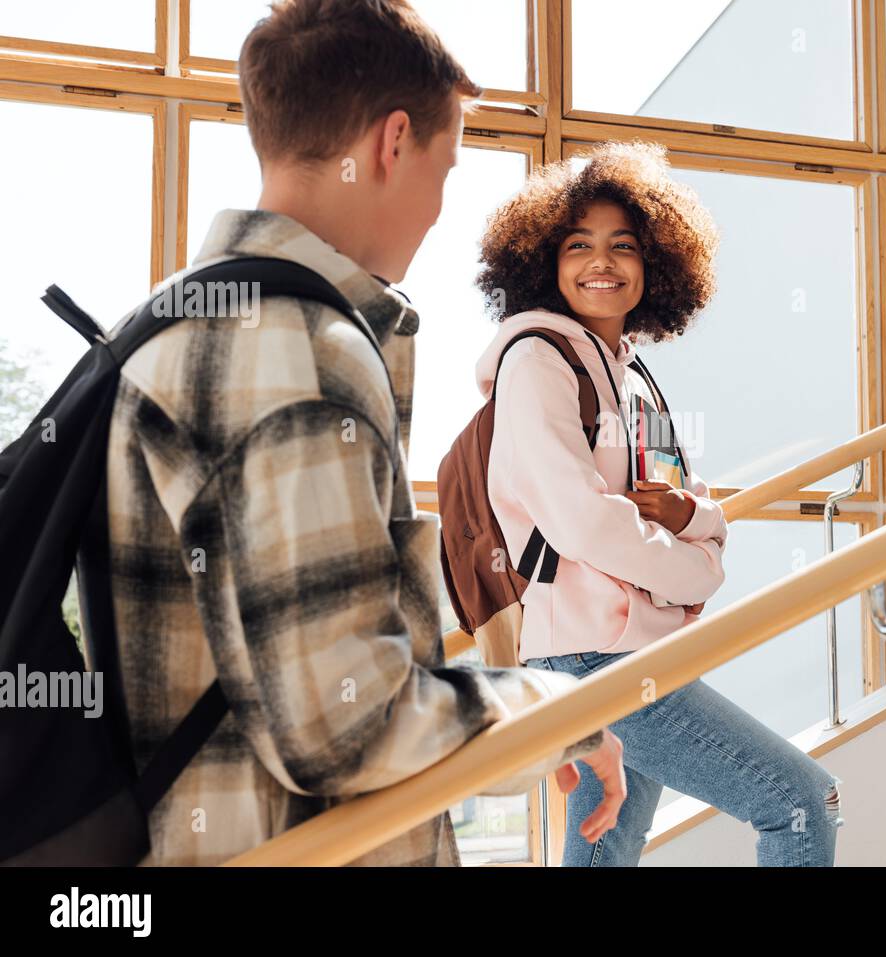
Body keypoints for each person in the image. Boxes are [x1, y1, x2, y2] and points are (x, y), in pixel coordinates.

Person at [98, 0, 624, 866]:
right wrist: (555, 715)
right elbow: (344, 722)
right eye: (445, 168)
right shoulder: (294, 349)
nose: (439, 210)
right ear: (391, 143)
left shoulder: (181, 319)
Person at [474, 141, 843, 866]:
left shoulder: (634, 377)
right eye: (578, 245)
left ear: (657, 265)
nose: (600, 262)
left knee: (605, 845)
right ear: (543, 262)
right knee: (801, 801)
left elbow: (688, 505)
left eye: (624, 246)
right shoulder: (537, 362)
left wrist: (691, 526)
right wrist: (694, 570)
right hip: (589, 655)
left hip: (637, 648)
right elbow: (581, 520)